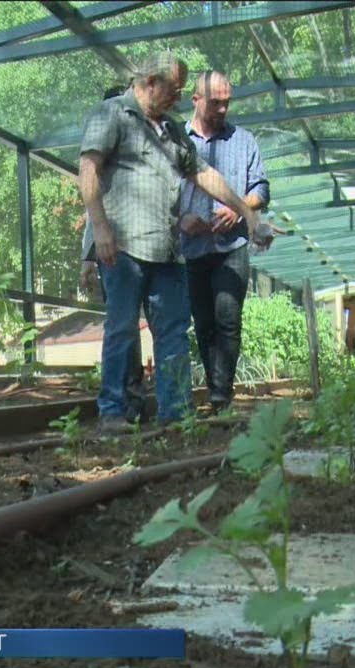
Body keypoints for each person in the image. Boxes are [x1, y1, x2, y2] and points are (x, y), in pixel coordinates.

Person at [78, 52, 276, 431]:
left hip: (167, 252)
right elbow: (88, 170)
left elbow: (204, 173)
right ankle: (112, 411)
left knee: (173, 332)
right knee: (121, 328)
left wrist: (247, 214)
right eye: (174, 88)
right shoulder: (112, 114)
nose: (179, 97)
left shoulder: (171, 129)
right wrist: (99, 229)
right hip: (123, 249)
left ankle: (177, 414)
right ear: (151, 82)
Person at [178, 70, 271, 415]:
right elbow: (161, 191)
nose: (222, 109)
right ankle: (216, 386)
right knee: (203, 322)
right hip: (191, 248)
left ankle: (221, 393)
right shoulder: (178, 141)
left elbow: (261, 188)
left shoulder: (243, 140)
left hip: (232, 247)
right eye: (215, 102)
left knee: (228, 316)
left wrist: (240, 209)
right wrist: (181, 219)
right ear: (196, 100)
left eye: (227, 102)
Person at [81, 84, 150, 424]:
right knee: (122, 326)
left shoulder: (137, 149)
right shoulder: (99, 162)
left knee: (142, 325)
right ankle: (120, 400)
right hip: (113, 252)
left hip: (149, 248)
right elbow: (92, 211)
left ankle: (135, 397)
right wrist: (88, 257)